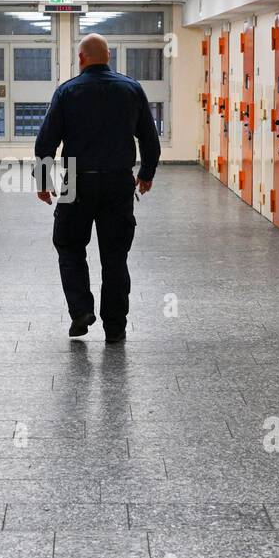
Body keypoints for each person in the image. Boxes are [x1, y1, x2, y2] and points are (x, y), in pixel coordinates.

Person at [34, 33, 161, 343]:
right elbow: (149, 138)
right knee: (115, 256)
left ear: (81, 58)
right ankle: (115, 327)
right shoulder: (131, 89)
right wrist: (145, 173)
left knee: (69, 245)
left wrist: (43, 181)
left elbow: (46, 141)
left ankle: (80, 310)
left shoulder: (67, 92)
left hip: (77, 178)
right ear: (108, 57)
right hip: (119, 181)